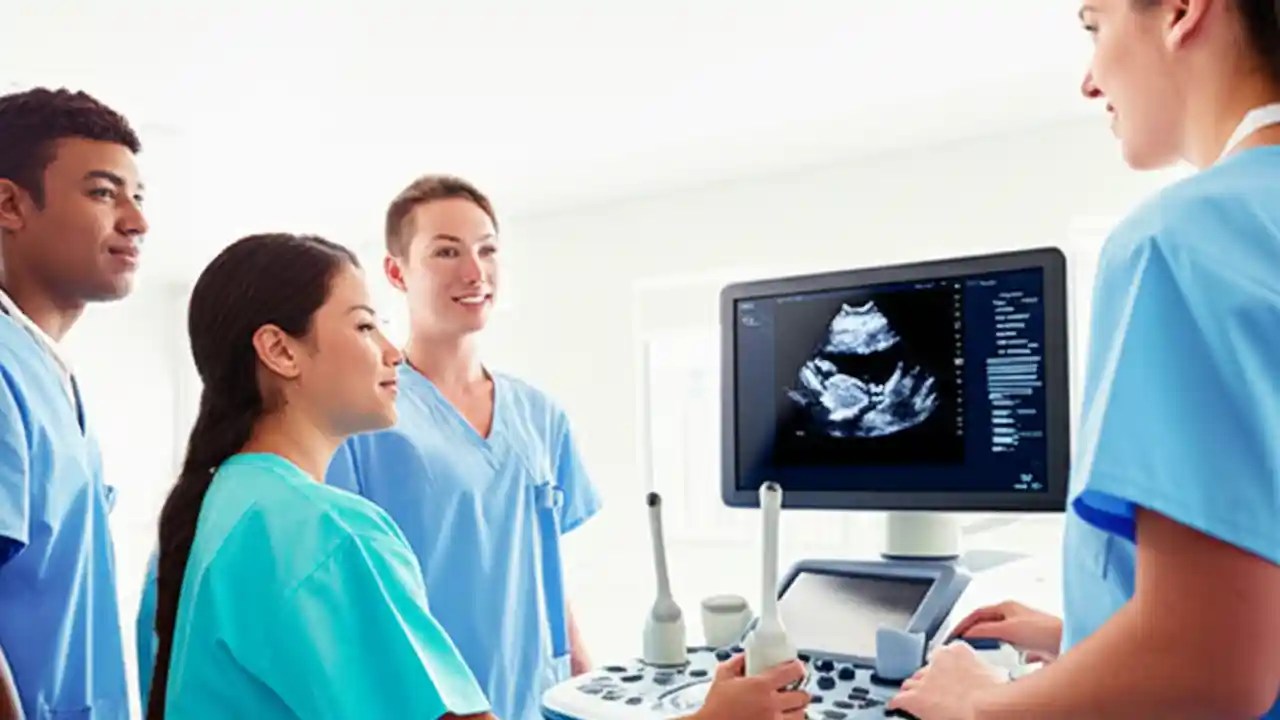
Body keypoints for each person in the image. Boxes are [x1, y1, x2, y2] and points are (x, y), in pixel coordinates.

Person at [147, 232, 809, 720]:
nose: (387, 350)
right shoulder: (325, 533)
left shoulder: (218, 505)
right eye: (363, 324)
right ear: (280, 350)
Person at [888, 1, 1280, 718]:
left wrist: (976, 704)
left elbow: (1211, 662)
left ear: (1183, 11)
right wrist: (1088, 634)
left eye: (1094, 27)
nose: (1089, 82)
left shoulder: (1185, 239)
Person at [323, 174, 598, 720]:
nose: (474, 272)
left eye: (487, 249)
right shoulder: (363, 420)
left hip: (536, 700)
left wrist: (588, 693)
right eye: (446, 252)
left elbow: (548, 579)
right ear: (396, 272)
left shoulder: (541, 416)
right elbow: (351, 606)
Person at [0, 87, 148, 720]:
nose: (136, 221)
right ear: (9, 203)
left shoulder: (50, 376)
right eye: (103, 192)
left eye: (138, 199)